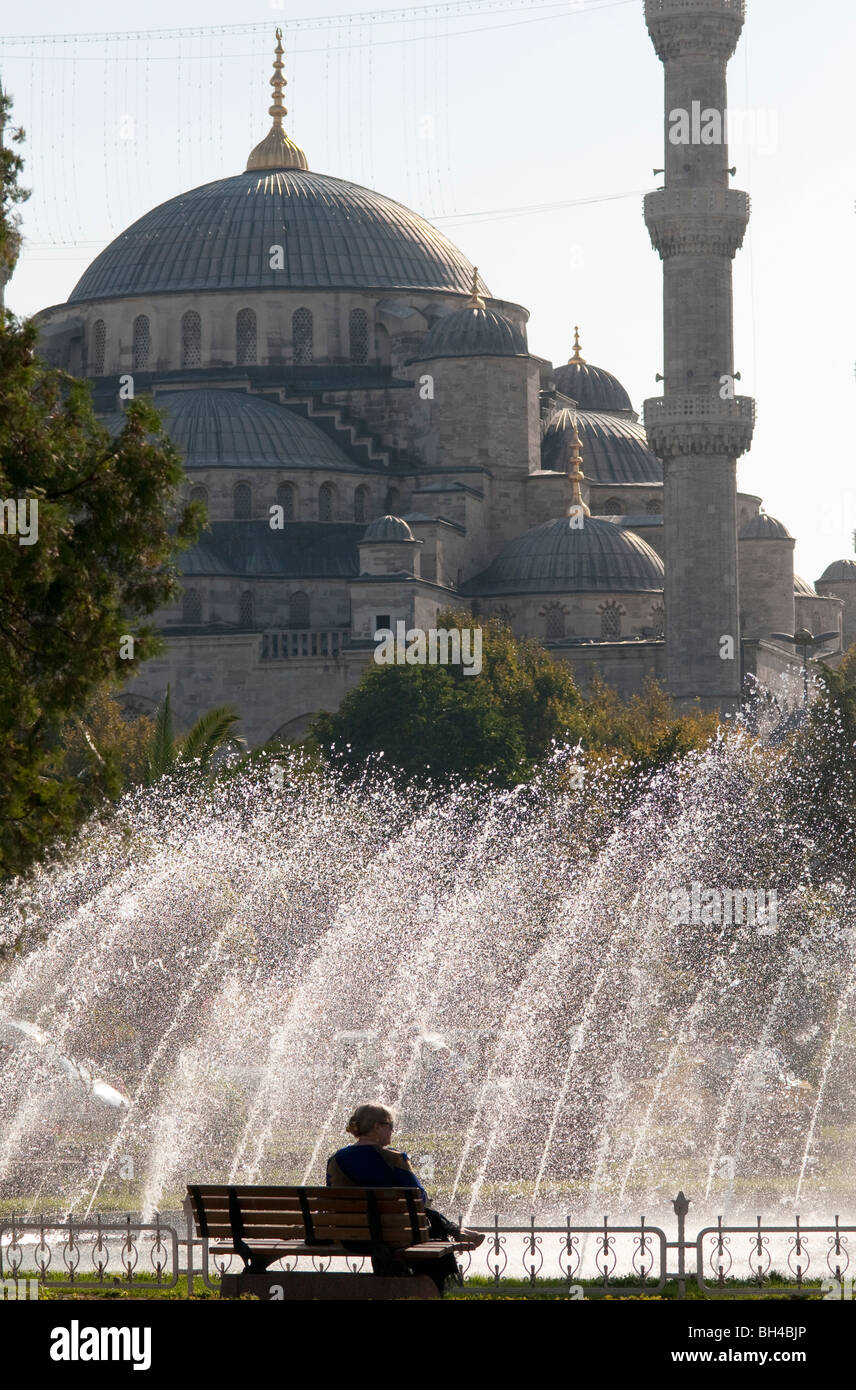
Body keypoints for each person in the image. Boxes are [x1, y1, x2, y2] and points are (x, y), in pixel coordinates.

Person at [326, 1102, 483, 1292]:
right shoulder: (393, 1159)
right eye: (390, 1126)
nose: (392, 1131)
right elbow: (420, 1199)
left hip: (351, 1238)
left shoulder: (335, 1159)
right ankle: (438, 1282)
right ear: (376, 1127)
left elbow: (333, 1197)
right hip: (396, 1236)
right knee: (431, 1226)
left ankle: (452, 1232)